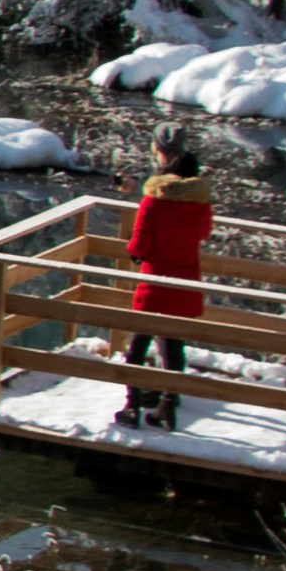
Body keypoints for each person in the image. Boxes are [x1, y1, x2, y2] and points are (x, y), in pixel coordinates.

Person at [122, 131, 211, 429]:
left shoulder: (153, 201)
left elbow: (140, 245)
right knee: (173, 346)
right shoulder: (201, 205)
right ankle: (167, 407)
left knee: (137, 346)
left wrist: (133, 253)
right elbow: (202, 234)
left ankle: (132, 406)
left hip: (155, 282)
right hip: (185, 282)